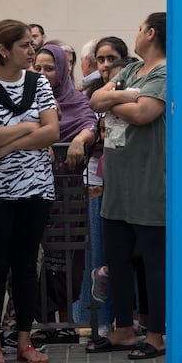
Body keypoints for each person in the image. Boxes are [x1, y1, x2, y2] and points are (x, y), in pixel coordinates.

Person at [0, 20, 59, 363]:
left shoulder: (39, 82)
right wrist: (26, 126)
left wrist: (8, 146)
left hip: (36, 187)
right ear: (4, 49)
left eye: (32, 44)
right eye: (24, 45)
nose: (32, 50)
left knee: (26, 265)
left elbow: (51, 132)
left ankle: (24, 339)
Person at [86, 14, 168, 360]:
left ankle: (155, 335)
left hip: (149, 182)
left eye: (139, 28)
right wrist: (128, 94)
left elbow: (144, 113)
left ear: (150, 33)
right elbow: (95, 101)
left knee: (152, 263)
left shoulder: (165, 72)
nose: (136, 34)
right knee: (117, 259)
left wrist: (121, 99)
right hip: (117, 185)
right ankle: (122, 329)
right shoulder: (132, 71)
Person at [32, 42, 98, 330]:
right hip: (34, 191)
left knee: (70, 261)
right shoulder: (27, 97)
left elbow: (89, 123)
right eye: (38, 68)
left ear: (63, 69)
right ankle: (42, 323)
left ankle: (66, 323)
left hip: (69, 193)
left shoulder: (75, 99)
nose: (44, 74)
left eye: (50, 68)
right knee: (37, 261)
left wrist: (78, 140)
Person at [72, 35, 129, 334]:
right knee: (98, 258)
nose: (105, 65)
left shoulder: (134, 89)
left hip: (128, 182)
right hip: (96, 181)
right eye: (100, 60)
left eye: (111, 59)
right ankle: (98, 322)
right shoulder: (89, 94)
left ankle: (128, 320)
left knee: (127, 257)